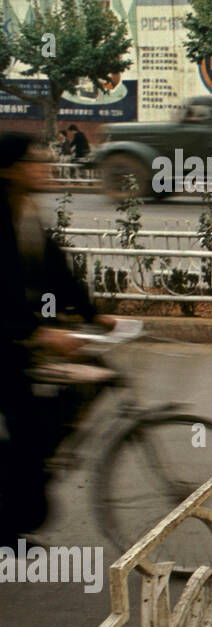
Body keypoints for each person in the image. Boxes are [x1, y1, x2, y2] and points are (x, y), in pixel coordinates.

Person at [0, 133, 114, 549]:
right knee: (27, 427)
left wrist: (92, 315)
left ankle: (20, 499)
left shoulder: (25, 211)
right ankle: (11, 521)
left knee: (54, 407)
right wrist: (36, 331)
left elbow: (55, 271)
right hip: (10, 340)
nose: (43, 167)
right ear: (10, 169)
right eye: (33, 161)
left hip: (16, 340)